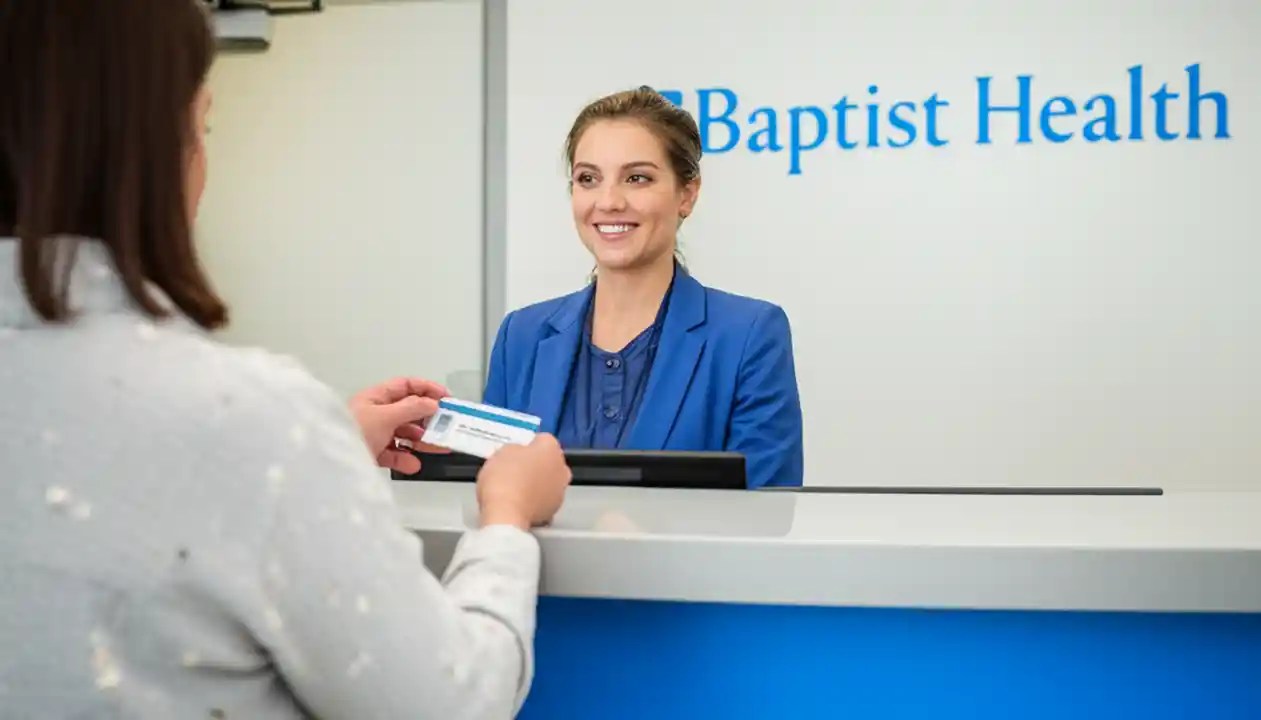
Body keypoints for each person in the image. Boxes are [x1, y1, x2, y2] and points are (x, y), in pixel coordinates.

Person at [0, 1, 570, 718]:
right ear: (156, 145)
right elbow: (448, 702)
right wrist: (509, 519)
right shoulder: (251, 422)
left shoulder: (263, 428)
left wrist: (316, 445)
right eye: (201, 128)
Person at [484, 87, 804, 488]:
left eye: (636, 178)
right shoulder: (521, 337)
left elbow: (767, 515)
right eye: (588, 179)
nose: (609, 201)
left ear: (686, 194)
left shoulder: (749, 335)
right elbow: (490, 492)